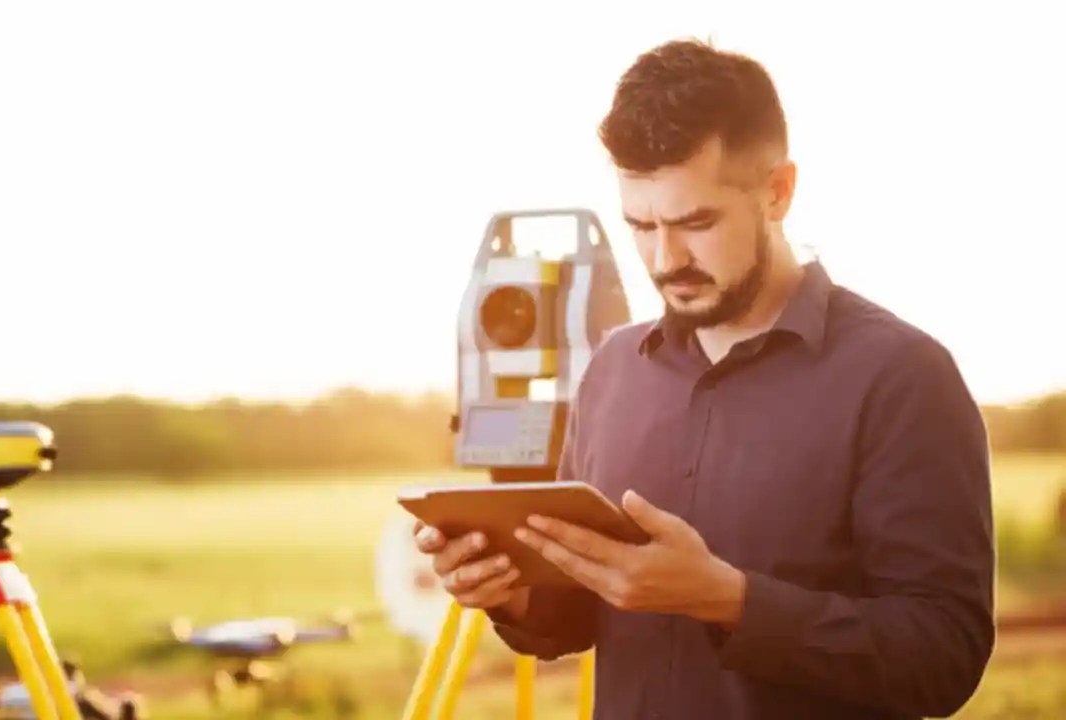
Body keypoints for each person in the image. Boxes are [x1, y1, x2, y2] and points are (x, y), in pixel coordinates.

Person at [414, 38, 995, 719]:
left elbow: (944, 657)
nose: (665, 259)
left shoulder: (901, 378)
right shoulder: (611, 371)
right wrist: (507, 591)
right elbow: (579, 616)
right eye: (641, 225)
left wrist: (726, 598)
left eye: (696, 222)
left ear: (778, 192)